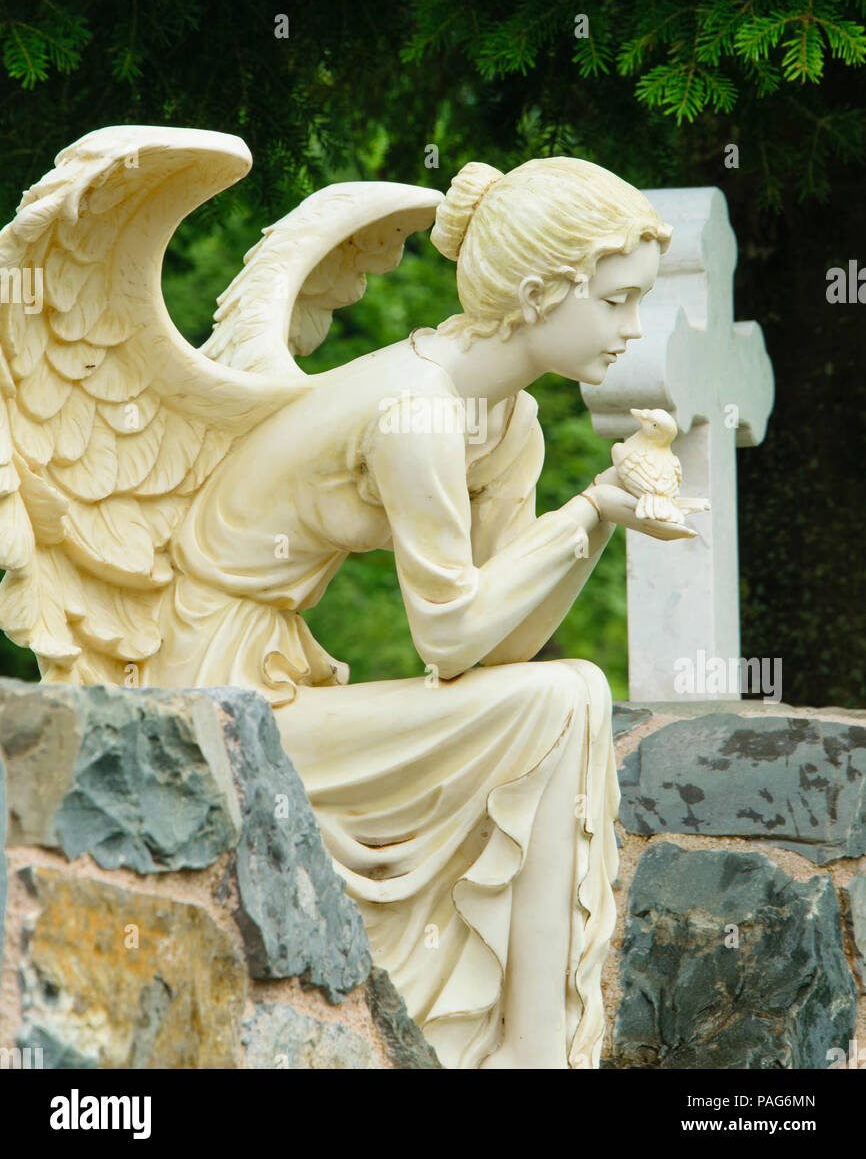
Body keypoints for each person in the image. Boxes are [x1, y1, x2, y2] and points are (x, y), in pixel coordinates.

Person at [150, 154, 692, 1068]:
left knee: (561, 695)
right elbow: (447, 638)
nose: (633, 329)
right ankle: (528, 1050)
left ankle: (531, 1045)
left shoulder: (505, 420)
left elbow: (502, 652)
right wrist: (589, 511)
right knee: (566, 700)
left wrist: (597, 521)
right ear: (537, 292)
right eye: (615, 301)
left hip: (281, 678)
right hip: (207, 694)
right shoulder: (417, 410)